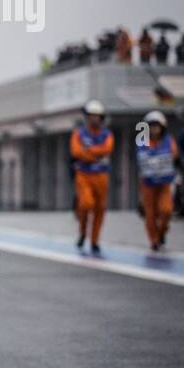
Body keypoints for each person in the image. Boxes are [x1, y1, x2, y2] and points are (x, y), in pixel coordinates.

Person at [70, 100, 114, 255]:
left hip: (101, 175)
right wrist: (95, 153)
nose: (94, 119)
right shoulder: (79, 134)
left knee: (99, 209)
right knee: (86, 204)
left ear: (101, 118)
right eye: (91, 116)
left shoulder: (106, 135)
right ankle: (82, 232)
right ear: (86, 117)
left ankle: (95, 241)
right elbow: (76, 152)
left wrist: (88, 152)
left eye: (97, 116)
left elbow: (107, 149)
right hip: (83, 175)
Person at [137, 111, 176, 251]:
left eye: (157, 126)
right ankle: (153, 240)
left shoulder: (168, 141)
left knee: (166, 210)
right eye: (151, 126)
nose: (154, 129)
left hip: (165, 183)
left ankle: (162, 233)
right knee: (150, 214)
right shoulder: (142, 141)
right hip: (148, 185)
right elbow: (140, 159)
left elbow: (175, 156)